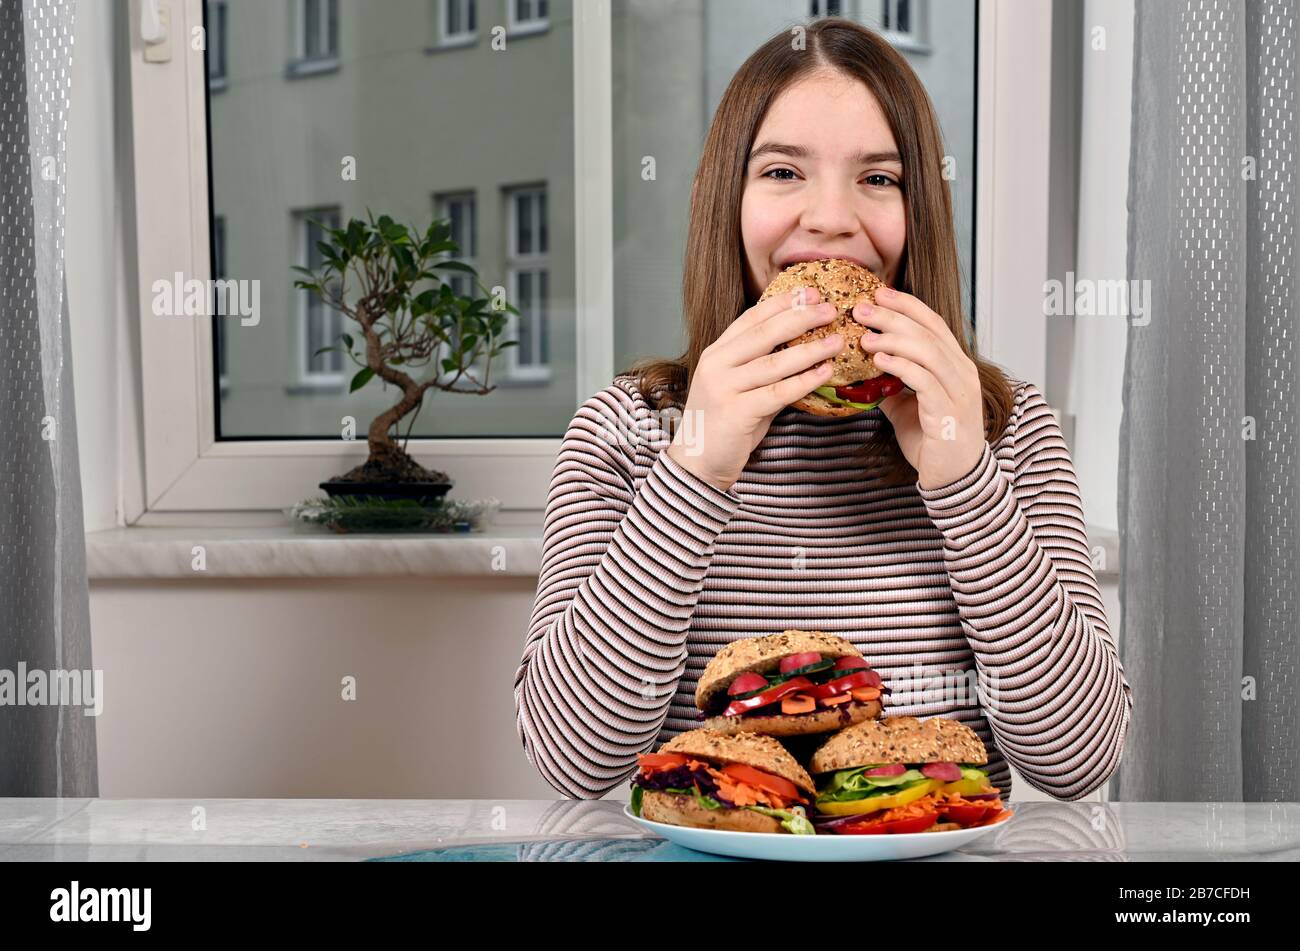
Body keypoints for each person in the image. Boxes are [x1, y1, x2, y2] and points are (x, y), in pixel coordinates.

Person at [513, 17, 1133, 802]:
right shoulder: (625, 433)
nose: (831, 218)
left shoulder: (1006, 429)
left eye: (879, 178)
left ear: (921, 217)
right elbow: (574, 761)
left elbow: (1078, 760)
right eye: (781, 172)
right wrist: (696, 468)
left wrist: (967, 485)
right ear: (723, 203)